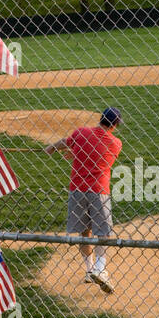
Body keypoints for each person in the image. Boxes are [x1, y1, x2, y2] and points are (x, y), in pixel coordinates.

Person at [43, 107, 124, 293]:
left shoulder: (82, 132)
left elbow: (66, 142)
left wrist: (52, 148)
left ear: (100, 119)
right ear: (115, 125)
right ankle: (100, 268)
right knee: (103, 231)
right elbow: (100, 155)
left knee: (84, 231)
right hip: (99, 190)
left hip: (77, 189)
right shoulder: (115, 143)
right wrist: (79, 152)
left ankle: (89, 270)